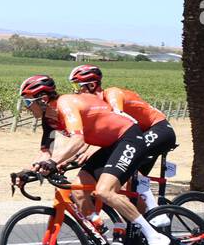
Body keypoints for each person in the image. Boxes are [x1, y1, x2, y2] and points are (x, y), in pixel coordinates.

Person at [19, 74, 173, 245]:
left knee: (104, 191)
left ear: (42, 99)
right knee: (77, 191)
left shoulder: (65, 104)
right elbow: (45, 152)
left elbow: (78, 140)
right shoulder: (48, 120)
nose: (26, 107)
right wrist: (26, 172)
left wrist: (54, 162)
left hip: (129, 138)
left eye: (28, 102)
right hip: (110, 146)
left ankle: (155, 237)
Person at [68, 64, 176, 211]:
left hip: (159, 129)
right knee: (123, 177)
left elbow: (123, 119)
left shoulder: (112, 94)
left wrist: (93, 149)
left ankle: (153, 210)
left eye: (77, 86)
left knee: (125, 158)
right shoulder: (97, 106)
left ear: (92, 85)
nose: (75, 91)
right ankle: (143, 218)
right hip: (139, 134)